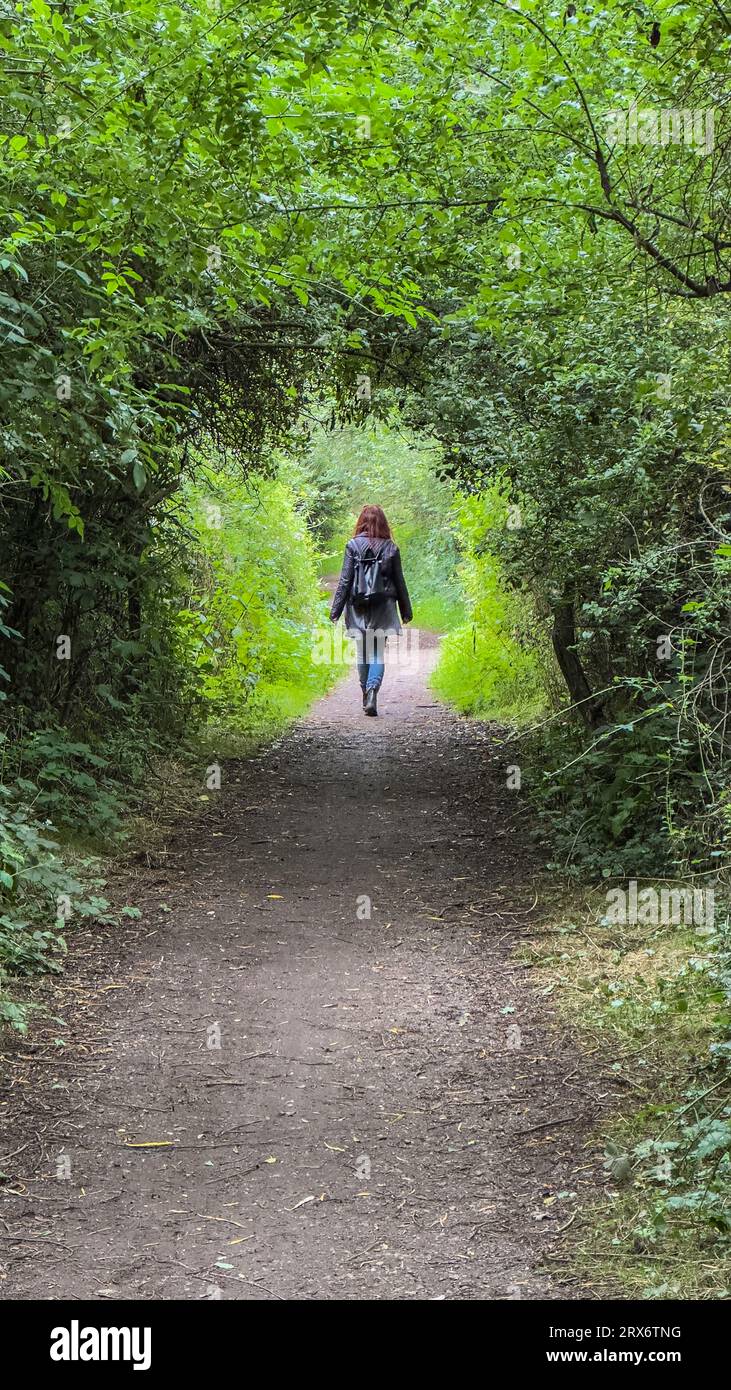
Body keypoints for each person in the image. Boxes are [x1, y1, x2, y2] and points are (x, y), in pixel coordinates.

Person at [329, 505, 412, 716]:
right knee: (377, 652)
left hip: (357, 606)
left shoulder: (352, 546)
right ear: (383, 523)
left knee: (362, 651)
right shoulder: (391, 548)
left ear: (361, 522)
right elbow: (399, 581)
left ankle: (365, 694)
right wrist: (405, 610)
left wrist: (336, 610)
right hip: (383, 606)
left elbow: (345, 581)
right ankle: (373, 690)